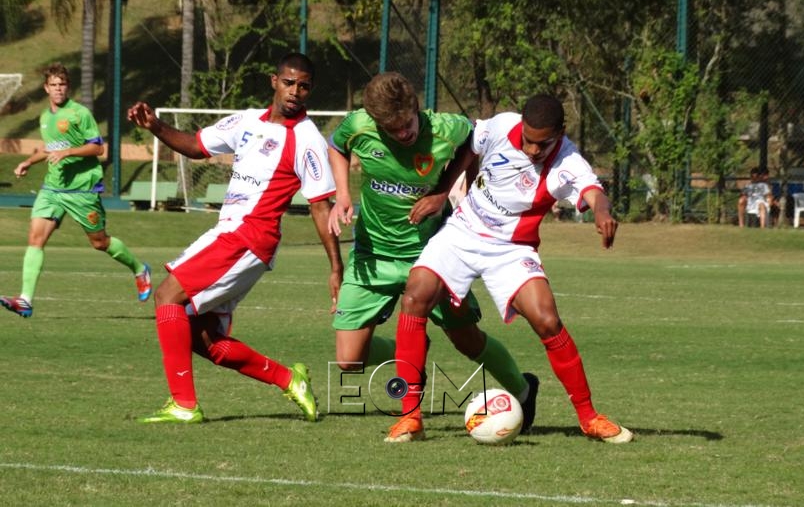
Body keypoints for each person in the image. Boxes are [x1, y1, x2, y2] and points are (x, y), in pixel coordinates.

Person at [386, 94, 633, 444]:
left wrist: (603, 213)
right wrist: (443, 192)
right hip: (463, 231)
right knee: (415, 296)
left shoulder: (568, 160)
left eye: (542, 143)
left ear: (560, 132)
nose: (533, 150)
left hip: (512, 249)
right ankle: (410, 417)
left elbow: (593, 191)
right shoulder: (502, 125)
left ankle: (589, 417)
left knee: (547, 319)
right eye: (528, 140)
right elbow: (468, 148)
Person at [126, 52, 342, 424]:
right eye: (289, 83)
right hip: (233, 234)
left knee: (166, 296)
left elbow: (321, 207)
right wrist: (155, 126)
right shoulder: (245, 121)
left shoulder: (307, 139)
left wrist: (336, 268)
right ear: (274, 81)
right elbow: (196, 146)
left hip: (249, 235)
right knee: (204, 340)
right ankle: (290, 379)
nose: (295, 91)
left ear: (310, 90)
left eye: (303, 86)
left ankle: (184, 405)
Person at [327, 72, 538, 433]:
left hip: (435, 257)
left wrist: (446, 191)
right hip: (373, 254)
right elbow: (336, 146)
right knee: (348, 360)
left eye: (408, 124)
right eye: (392, 130)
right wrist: (342, 194)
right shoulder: (358, 125)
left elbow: (475, 141)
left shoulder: (446, 128)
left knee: (466, 340)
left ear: (416, 108)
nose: (404, 134)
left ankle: (523, 389)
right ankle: (409, 347)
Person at [1, 63, 151, 319]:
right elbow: (50, 148)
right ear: (46, 88)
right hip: (53, 188)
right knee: (35, 238)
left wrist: (69, 151)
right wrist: (29, 161)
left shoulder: (79, 113)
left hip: (82, 189)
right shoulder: (45, 118)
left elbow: (98, 149)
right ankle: (25, 299)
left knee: (99, 242)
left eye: (62, 85)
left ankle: (139, 269)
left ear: (67, 87)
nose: (58, 89)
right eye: (54, 85)